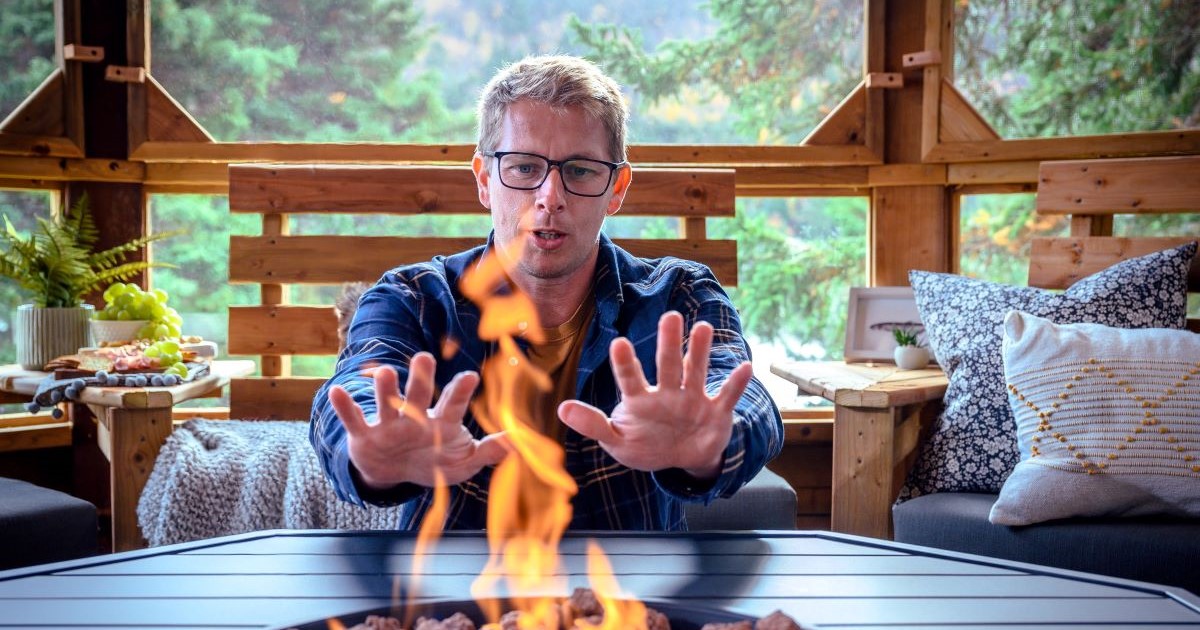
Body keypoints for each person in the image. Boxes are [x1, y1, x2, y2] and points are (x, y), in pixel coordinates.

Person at [311, 55, 783, 530]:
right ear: (484, 179)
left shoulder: (680, 296)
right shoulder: (410, 300)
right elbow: (353, 392)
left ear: (616, 187)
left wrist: (712, 446)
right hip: (451, 595)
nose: (550, 197)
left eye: (579, 171)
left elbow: (746, 399)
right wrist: (368, 449)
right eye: (523, 167)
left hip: (633, 596)